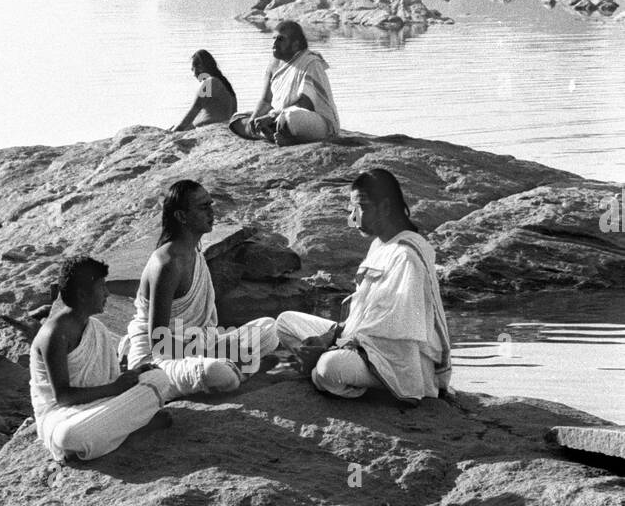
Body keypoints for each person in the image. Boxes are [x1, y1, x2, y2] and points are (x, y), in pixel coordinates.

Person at [275, 168, 452, 403]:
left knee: (330, 367)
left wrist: (331, 347)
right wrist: (329, 337)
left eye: (361, 208)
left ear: (386, 207)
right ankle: (321, 370)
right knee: (286, 322)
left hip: (396, 361)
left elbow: (389, 328)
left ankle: (334, 376)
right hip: (361, 344)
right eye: (352, 209)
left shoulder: (407, 255)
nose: (354, 217)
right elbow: (362, 313)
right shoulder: (380, 244)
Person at [119, 179, 279, 393]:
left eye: (211, 205)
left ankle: (233, 365)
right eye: (203, 207)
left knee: (269, 329)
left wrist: (214, 347)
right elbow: (159, 344)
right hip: (158, 361)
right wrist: (213, 352)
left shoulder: (195, 252)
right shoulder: (166, 263)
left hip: (198, 346)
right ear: (181, 216)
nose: (212, 213)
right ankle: (233, 367)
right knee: (219, 374)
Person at [29, 253, 173, 462]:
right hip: (64, 415)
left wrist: (133, 375)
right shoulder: (54, 334)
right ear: (83, 294)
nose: (107, 293)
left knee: (159, 378)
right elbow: (63, 397)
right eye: (101, 287)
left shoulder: (97, 328)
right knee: (69, 436)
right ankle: (135, 426)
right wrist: (115, 389)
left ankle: (123, 429)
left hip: (102, 404)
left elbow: (109, 379)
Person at [230, 19, 340, 144]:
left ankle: (278, 132)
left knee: (290, 118)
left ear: (295, 44)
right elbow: (266, 100)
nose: (274, 43)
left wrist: (271, 117)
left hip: (315, 120)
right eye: (274, 38)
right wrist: (254, 118)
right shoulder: (273, 64)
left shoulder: (310, 62)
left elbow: (306, 104)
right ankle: (275, 133)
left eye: (281, 39)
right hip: (277, 117)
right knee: (237, 119)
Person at [173, 50, 237, 131]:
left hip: (211, 128)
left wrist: (175, 131)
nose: (193, 74)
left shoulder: (209, 83)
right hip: (224, 126)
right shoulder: (225, 84)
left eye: (193, 69)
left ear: (200, 67)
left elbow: (193, 111)